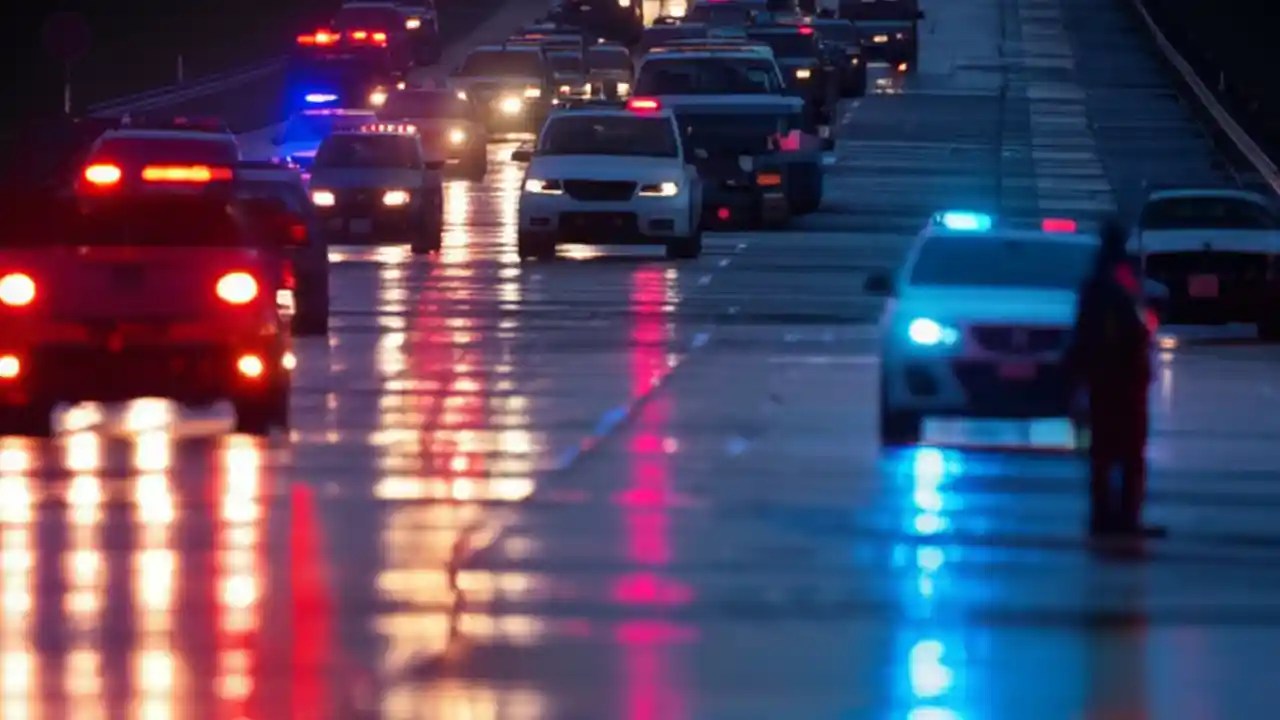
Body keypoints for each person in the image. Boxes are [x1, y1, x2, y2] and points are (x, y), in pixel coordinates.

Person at [1064, 218, 1159, 537]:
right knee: (1126, 454)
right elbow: (1130, 333)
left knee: (1104, 455)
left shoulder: (1097, 285)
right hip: (1120, 381)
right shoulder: (1117, 285)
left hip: (1105, 381)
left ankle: (1106, 516)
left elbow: (1082, 337)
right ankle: (1121, 518)